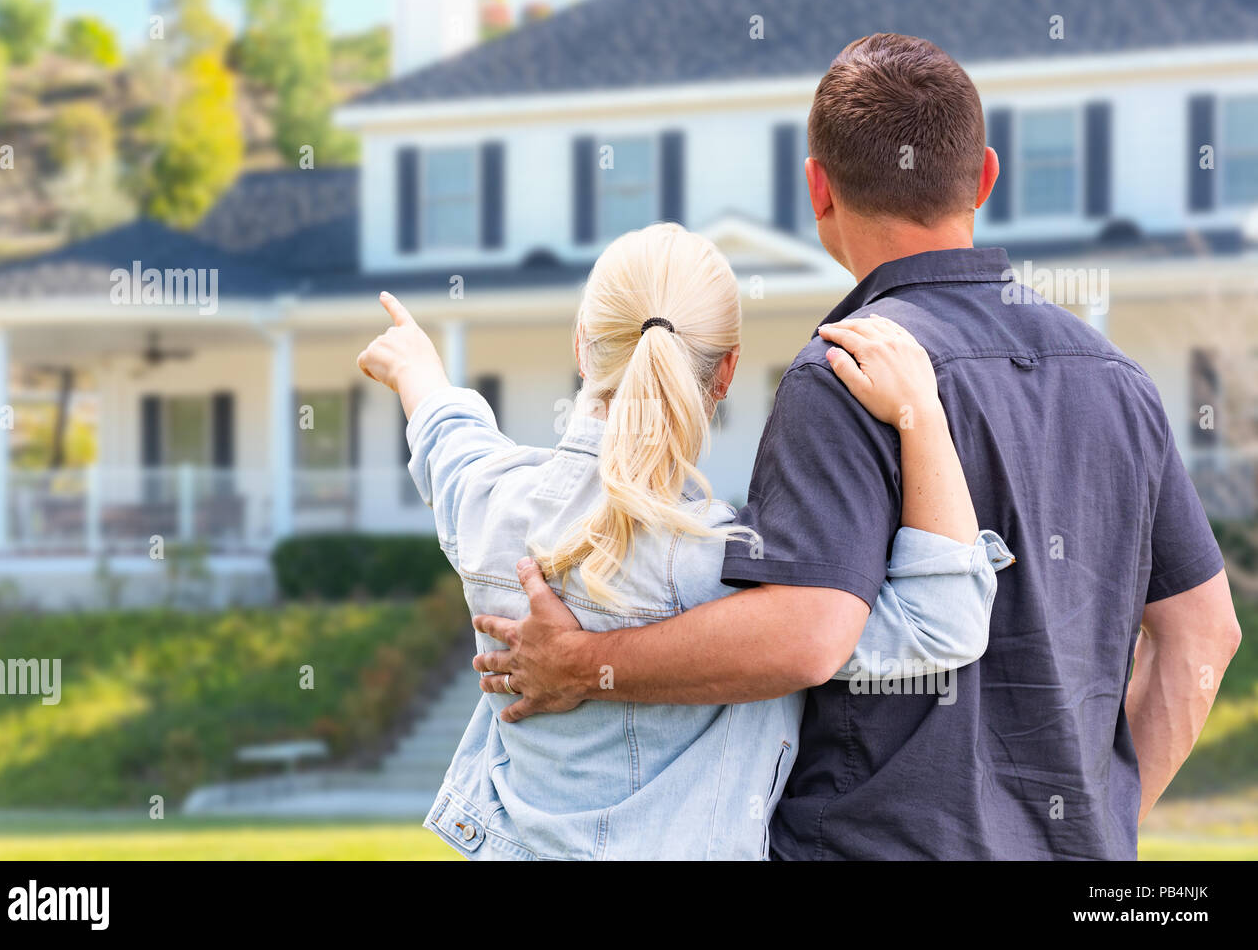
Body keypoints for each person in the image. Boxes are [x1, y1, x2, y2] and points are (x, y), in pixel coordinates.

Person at [468, 34, 1243, 860]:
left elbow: (806, 633)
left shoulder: (839, 372)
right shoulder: (1119, 381)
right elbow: (1205, 634)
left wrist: (588, 664)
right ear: (984, 176)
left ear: (818, 189)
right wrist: (1097, 822)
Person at [357, 222, 1011, 859]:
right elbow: (941, 619)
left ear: (582, 345)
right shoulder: (739, 570)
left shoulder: (490, 504)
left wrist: (417, 371)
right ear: (725, 374)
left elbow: (449, 440)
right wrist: (918, 413)